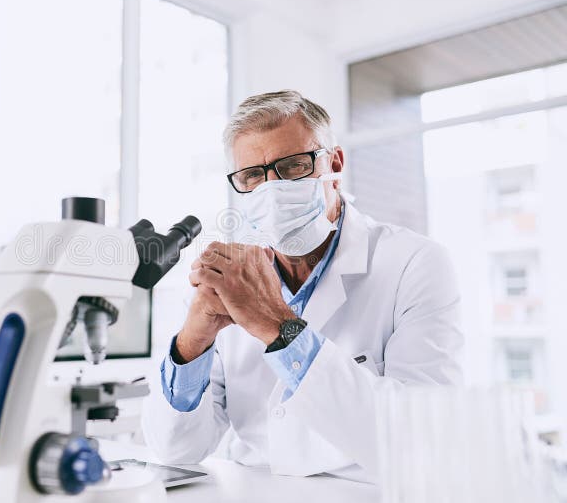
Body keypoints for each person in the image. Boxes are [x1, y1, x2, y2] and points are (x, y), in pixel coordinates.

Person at [141, 90, 464, 482]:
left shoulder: (415, 264)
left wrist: (278, 325)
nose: (272, 190)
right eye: (253, 176)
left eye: (293, 166)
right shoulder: (231, 279)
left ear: (335, 163)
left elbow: (421, 442)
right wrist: (192, 342)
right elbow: (176, 450)